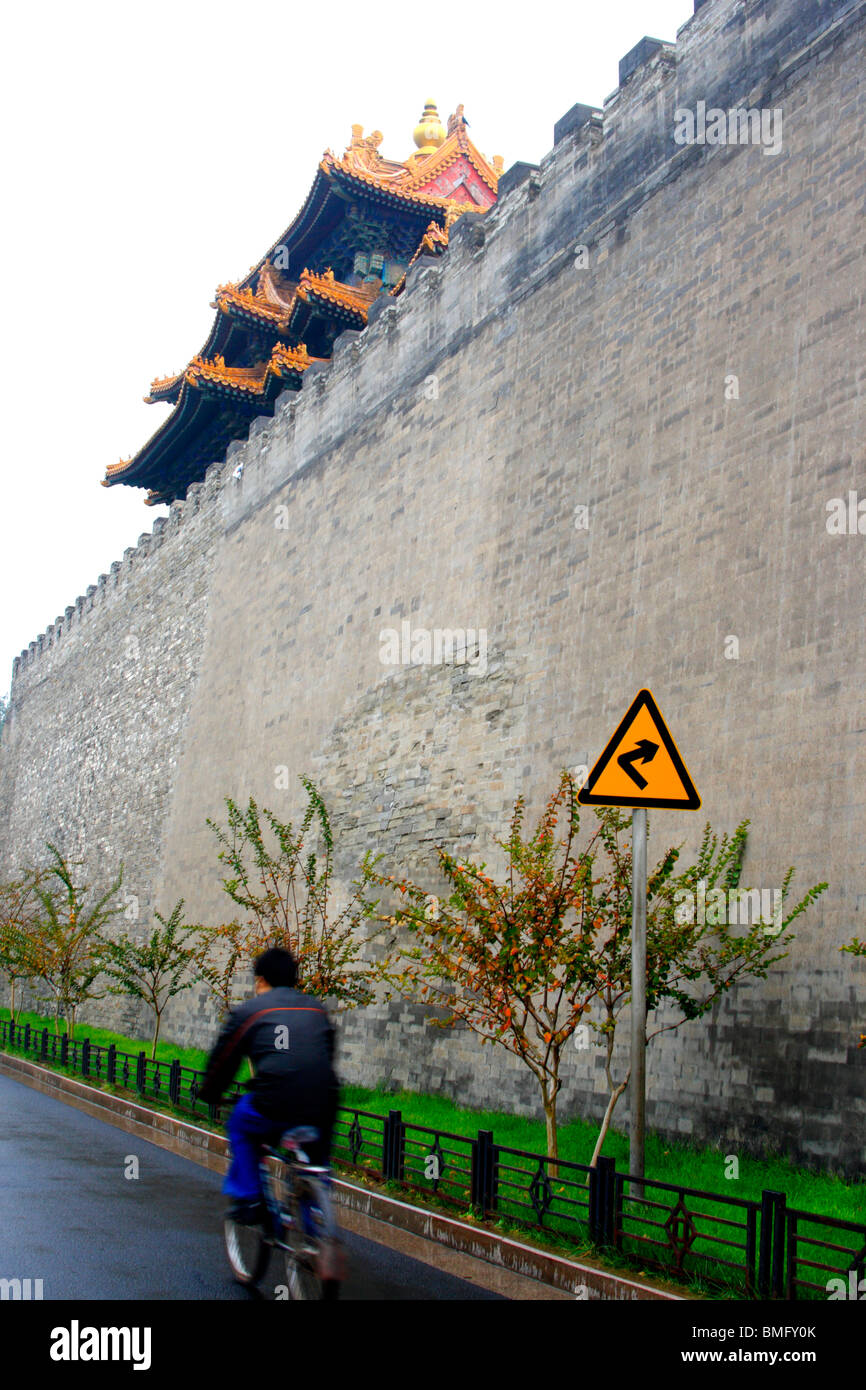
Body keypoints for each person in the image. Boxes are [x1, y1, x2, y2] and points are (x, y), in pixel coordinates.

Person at [199, 946, 338, 1224]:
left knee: (240, 1123)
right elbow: (325, 1055)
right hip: (324, 1104)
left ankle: (249, 1197)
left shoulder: (250, 1011)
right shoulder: (317, 1009)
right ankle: (317, 1234)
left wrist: (210, 1093)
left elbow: (223, 1062)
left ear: (261, 980)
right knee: (314, 1163)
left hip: (274, 1101)